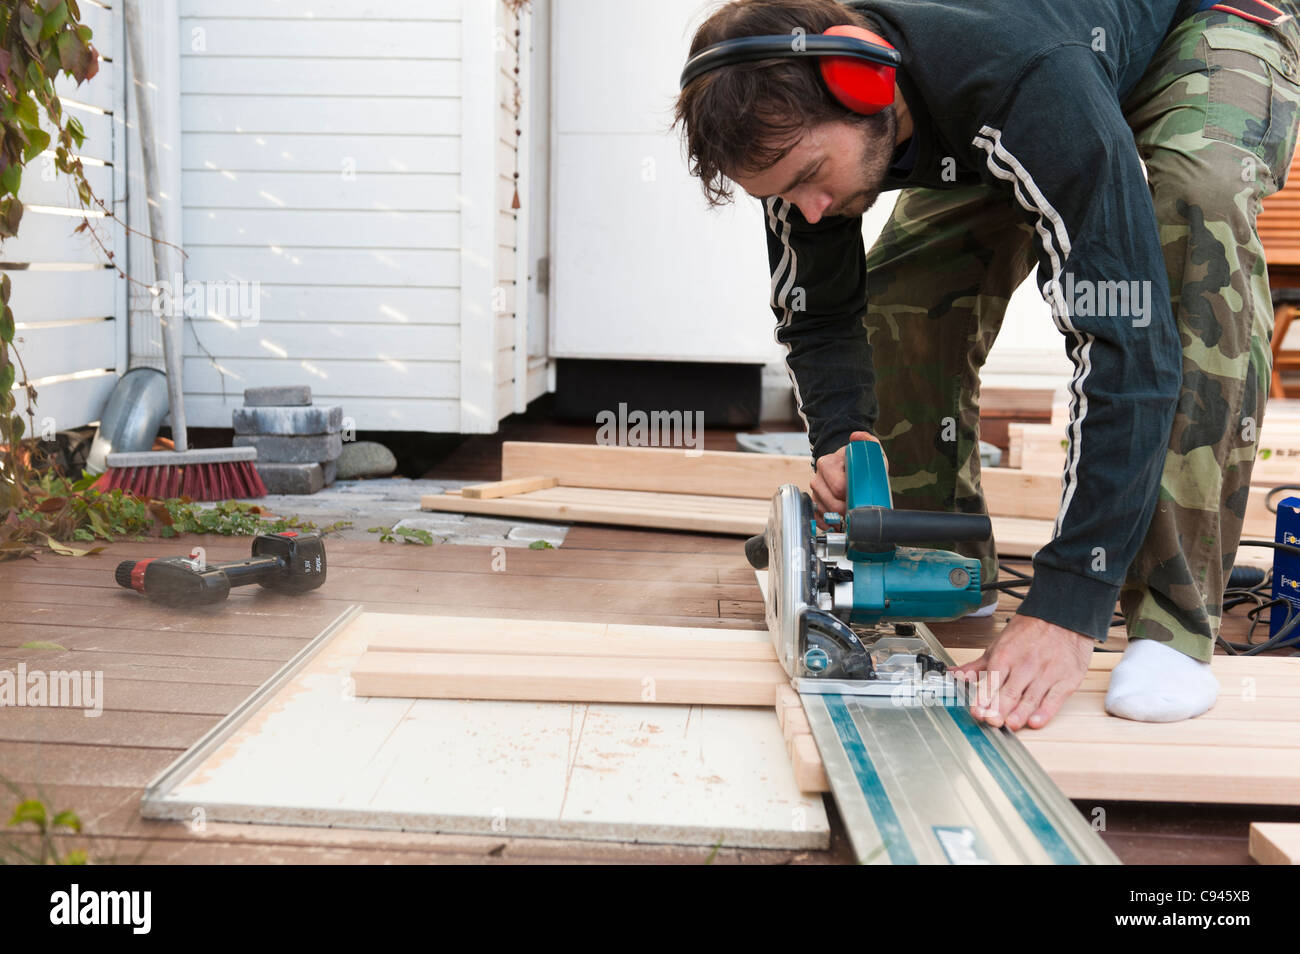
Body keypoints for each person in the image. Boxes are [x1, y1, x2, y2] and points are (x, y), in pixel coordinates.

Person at [675, 0, 1300, 729]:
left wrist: (1067, 604)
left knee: (1195, 224)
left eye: (811, 175)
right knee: (906, 293)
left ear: (864, 82)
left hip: (1194, 22)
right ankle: (939, 559)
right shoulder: (792, 126)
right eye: (781, 193)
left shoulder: (1020, 79)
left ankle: (1173, 624)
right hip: (1030, 75)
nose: (808, 210)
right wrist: (844, 435)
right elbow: (820, 314)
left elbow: (1122, 340)